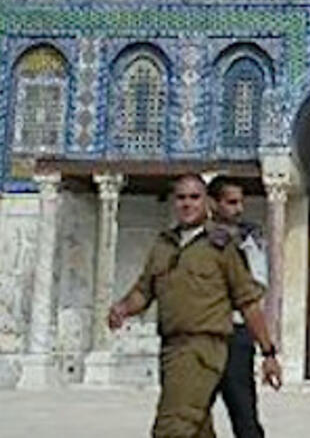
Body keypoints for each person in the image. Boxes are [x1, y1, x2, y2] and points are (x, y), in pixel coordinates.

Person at [107, 174, 281, 438]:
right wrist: (122, 308)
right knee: (197, 427)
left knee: (173, 427)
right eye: (181, 198)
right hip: (171, 349)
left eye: (194, 197)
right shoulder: (163, 246)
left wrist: (268, 353)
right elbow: (144, 292)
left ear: (206, 203)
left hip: (204, 347)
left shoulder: (221, 247)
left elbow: (248, 303)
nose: (187, 204)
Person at [205, 175, 267, 438]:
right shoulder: (194, 240)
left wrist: (268, 351)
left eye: (240, 202)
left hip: (236, 337)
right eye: (231, 203)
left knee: (245, 417)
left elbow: (258, 285)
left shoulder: (248, 240)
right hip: (201, 336)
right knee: (190, 416)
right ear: (213, 203)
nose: (238, 209)